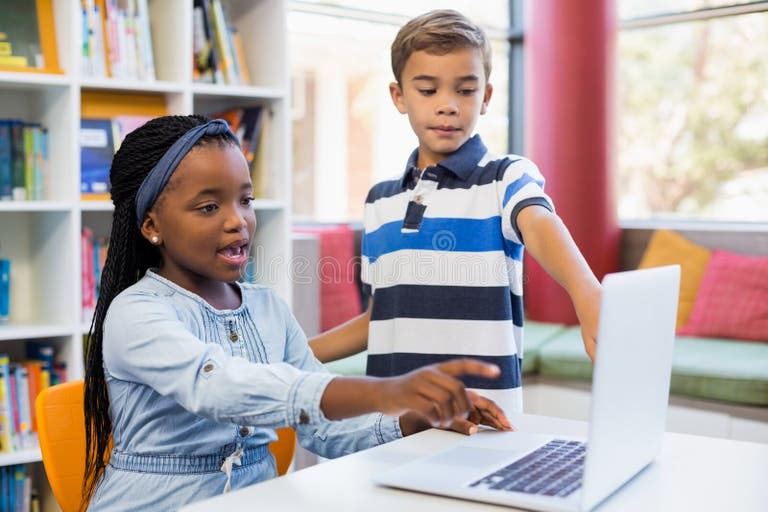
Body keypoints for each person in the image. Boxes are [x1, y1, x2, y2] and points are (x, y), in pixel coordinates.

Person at [82, 115, 511, 511]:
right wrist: (385, 390)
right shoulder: (135, 313)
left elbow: (324, 428)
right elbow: (219, 387)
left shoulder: (268, 306)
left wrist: (417, 417)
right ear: (152, 225)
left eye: (245, 200)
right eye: (209, 207)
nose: (239, 222)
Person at [309, 9, 602, 416]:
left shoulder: (504, 177)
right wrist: (299, 356)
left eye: (465, 91)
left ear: (485, 98)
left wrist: (586, 292)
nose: (447, 105)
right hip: (391, 427)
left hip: (483, 422)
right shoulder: (379, 202)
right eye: (428, 90)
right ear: (399, 96)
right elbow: (380, 316)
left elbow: (538, 222)